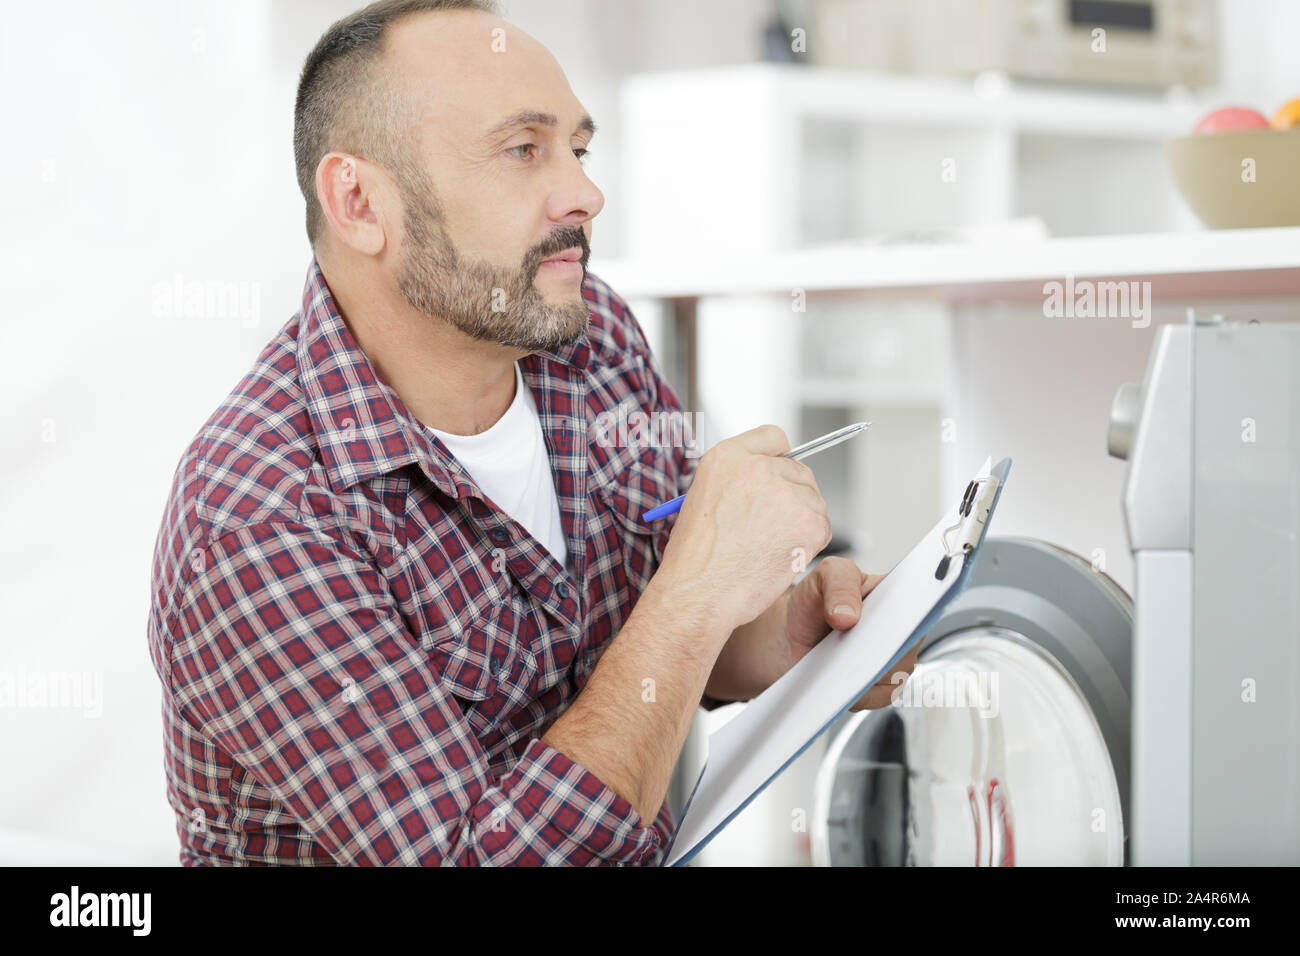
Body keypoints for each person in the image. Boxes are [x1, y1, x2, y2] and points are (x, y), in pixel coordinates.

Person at [145, 0, 911, 866]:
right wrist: (696, 594)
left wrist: (775, 634)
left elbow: (645, 653)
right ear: (358, 202)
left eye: (578, 149)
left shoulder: (588, 337)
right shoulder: (259, 522)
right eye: (523, 149)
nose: (586, 194)